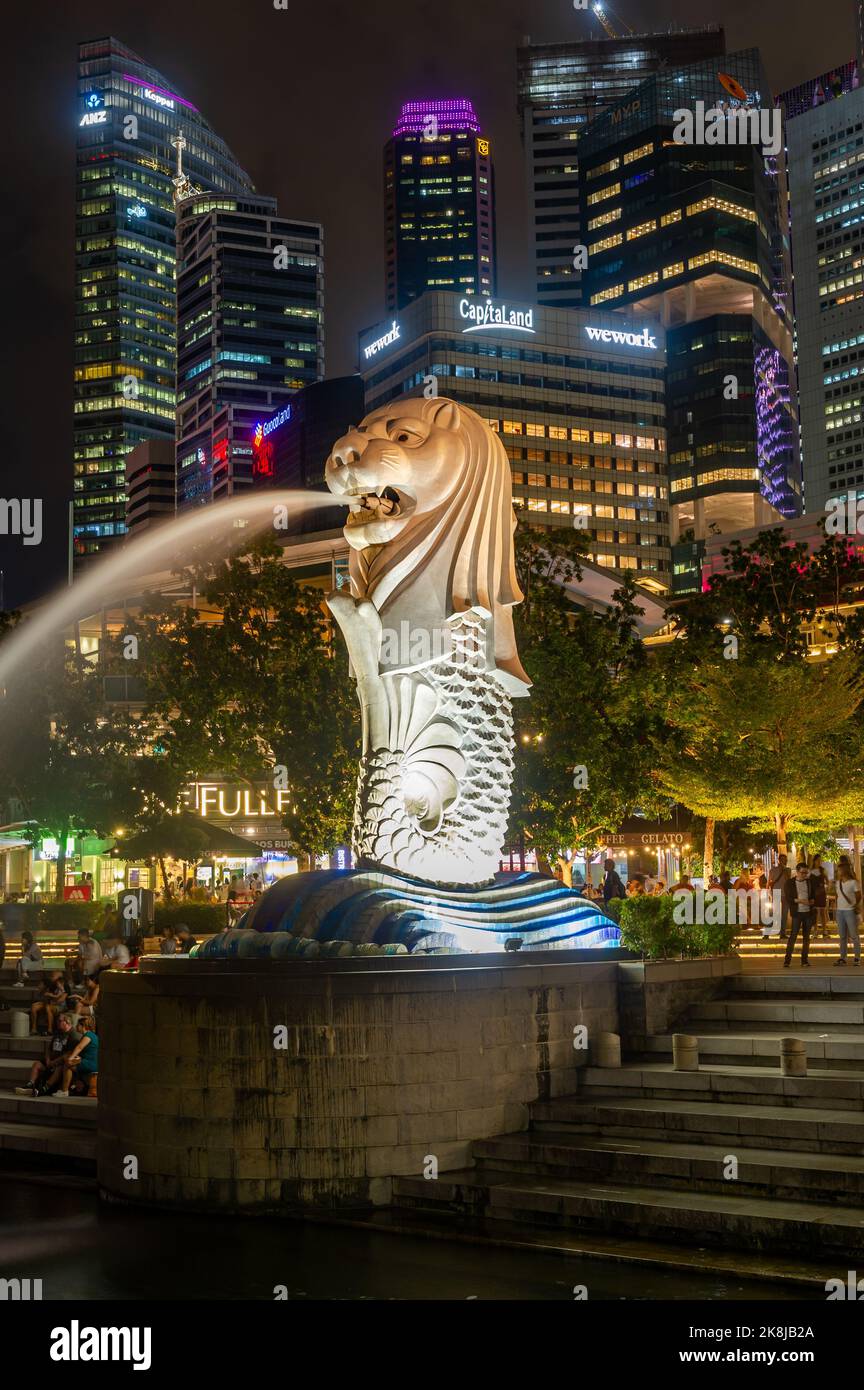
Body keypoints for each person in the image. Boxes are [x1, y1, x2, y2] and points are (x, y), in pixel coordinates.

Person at [15, 1012, 78, 1097]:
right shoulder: (58, 1032)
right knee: (37, 1064)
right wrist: (48, 1059)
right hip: (51, 1060)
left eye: (59, 1021)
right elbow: (49, 1049)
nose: (57, 1022)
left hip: (60, 1062)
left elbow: (68, 1054)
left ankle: (44, 1088)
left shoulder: (73, 1035)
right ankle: (30, 1084)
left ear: (66, 1022)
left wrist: (54, 1062)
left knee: (59, 1068)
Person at [57, 1016, 99, 1098]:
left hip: (91, 1063)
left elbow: (79, 1047)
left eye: (78, 1025)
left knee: (67, 1065)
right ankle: (66, 1089)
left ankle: (64, 1091)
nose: (76, 1026)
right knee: (67, 1061)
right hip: (87, 1061)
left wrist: (71, 1058)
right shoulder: (90, 1035)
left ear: (83, 1026)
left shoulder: (88, 1035)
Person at [784, 862, 816, 967]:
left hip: (808, 912)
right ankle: (787, 960)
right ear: (797, 872)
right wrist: (801, 901)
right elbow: (788, 898)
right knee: (793, 936)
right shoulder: (789, 883)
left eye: (806, 873)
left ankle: (804, 960)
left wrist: (811, 901)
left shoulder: (809, 882)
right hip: (797, 913)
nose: (804, 875)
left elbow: (813, 895)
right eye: (802, 872)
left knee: (806, 937)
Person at [834, 861, 862, 966]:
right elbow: (837, 896)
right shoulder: (838, 883)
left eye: (839, 870)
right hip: (840, 911)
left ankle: (857, 957)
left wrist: (854, 905)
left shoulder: (853, 882)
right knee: (842, 936)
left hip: (850, 911)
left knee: (854, 935)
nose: (838, 871)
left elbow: (859, 895)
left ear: (844, 871)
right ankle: (843, 957)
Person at [29, 971, 67, 1035]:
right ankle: (34, 1028)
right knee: (34, 1006)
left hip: (58, 1005)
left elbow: (60, 1000)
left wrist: (50, 996)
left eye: (53, 976)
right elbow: (44, 996)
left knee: (47, 1007)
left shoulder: (64, 987)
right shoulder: (51, 985)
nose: (51, 978)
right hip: (49, 1003)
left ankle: (50, 1029)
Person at [768, 855, 791, 939]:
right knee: (773, 913)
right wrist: (769, 893)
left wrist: (784, 870)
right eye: (782, 860)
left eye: (785, 860)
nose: (784, 861)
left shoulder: (788, 870)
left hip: (785, 893)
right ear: (779, 860)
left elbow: (788, 879)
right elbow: (770, 882)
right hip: (776, 893)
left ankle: (782, 933)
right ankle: (767, 933)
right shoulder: (773, 870)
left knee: (784, 914)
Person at [809, 854, 829, 940]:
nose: (819, 862)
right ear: (814, 861)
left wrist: (825, 888)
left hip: (821, 893)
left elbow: (827, 881)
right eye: (818, 860)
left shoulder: (823, 870)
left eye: (820, 860)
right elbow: (809, 883)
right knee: (815, 913)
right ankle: (815, 931)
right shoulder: (810, 871)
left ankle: (824, 931)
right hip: (814, 894)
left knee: (823, 912)